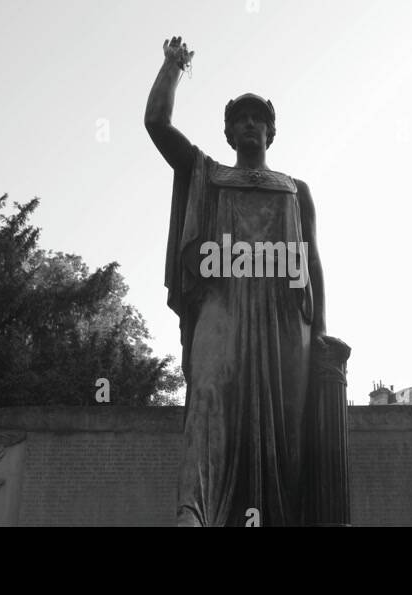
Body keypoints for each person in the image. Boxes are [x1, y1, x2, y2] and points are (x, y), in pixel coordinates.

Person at [145, 36, 327, 526]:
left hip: (286, 319)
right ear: (228, 134)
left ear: (271, 131)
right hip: (222, 304)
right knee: (207, 399)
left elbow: (312, 263)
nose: (249, 124)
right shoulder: (208, 173)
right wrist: (173, 66)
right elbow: (157, 125)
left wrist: (323, 329)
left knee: (287, 428)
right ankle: (194, 512)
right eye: (240, 119)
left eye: (258, 118)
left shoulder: (296, 190)